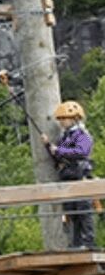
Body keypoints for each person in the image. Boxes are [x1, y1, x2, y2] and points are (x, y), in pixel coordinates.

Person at [41, 100, 95, 249]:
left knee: (84, 211)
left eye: (64, 119)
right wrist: (48, 146)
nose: (61, 122)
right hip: (68, 177)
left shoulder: (82, 135)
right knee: (72, 212)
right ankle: (77, 243)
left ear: (74, 118)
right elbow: (59, 156)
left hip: (79, 176)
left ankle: (88, 243)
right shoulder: (65, 137)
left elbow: (82, 151)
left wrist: (59, 150)